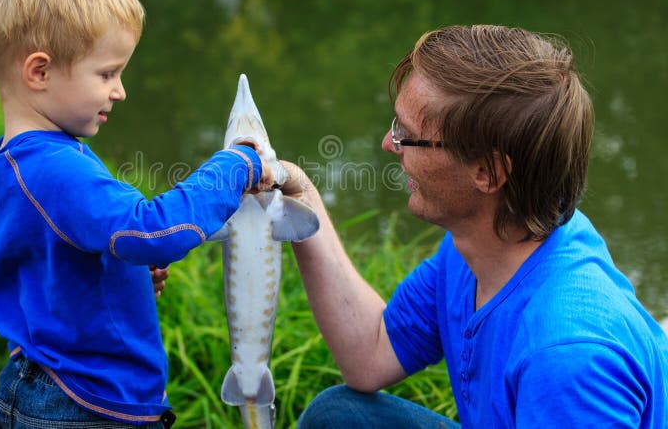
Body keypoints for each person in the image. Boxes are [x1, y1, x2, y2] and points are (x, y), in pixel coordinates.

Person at [280, 25, 668, 427]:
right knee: (340, 417)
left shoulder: (566, 358)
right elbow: (370, 354)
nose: (388, 144)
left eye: (407, 136)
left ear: (487, 172)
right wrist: (301, 198)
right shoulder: (480, 249)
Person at [0, 0, 274, 428]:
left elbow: (22, 256)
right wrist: (237, 164)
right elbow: (151, 229)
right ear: (40, 73)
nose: (120, 90)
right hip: (85, 404)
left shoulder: (12, 161)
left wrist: (114, 275)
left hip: (44, 386)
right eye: (107, 74)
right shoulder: (57, 169)